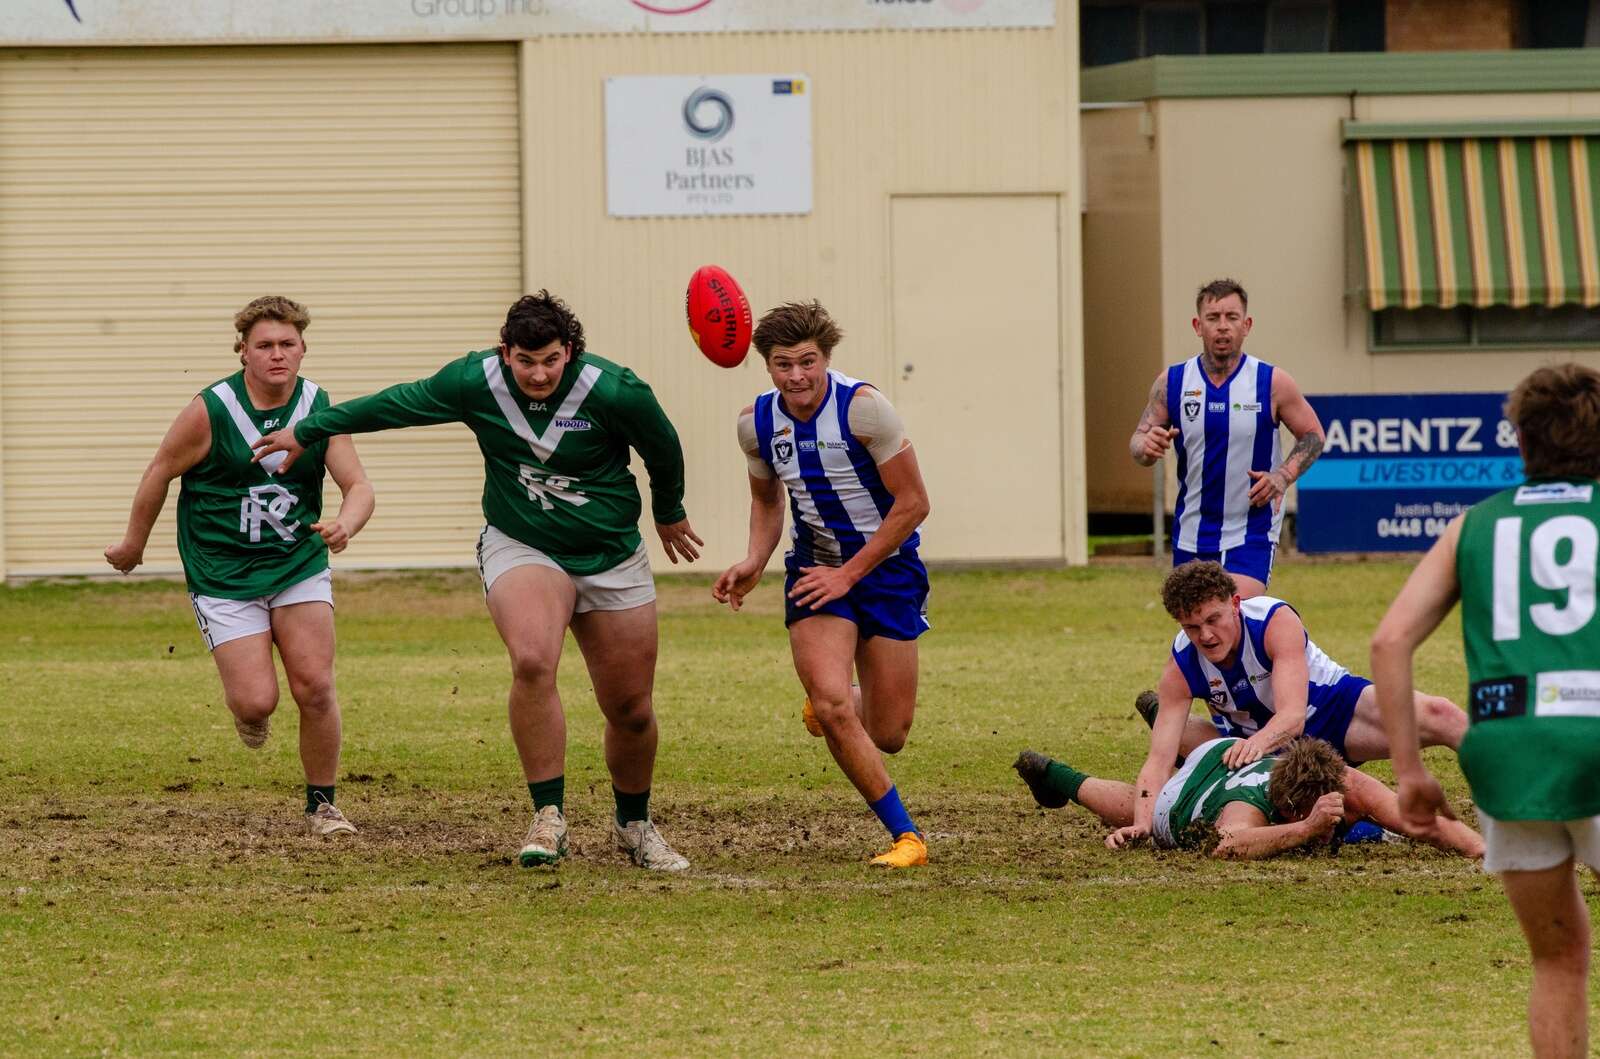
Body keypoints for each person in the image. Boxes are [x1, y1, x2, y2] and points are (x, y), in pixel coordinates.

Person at [251, 291, 702, 871]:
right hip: (523, 542)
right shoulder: (475, 381)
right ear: (505, 352)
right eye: (525, 361)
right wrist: (310, 429)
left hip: (609, 551)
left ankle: (634, 824)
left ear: (570, 352)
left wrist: (669, 510)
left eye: (551, 360)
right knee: (533, 659)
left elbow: (663, 448)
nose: (538, 375)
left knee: (631, 707)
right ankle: (548, 815)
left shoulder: (615, 390)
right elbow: (397, 403)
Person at [1372, 363, 1600, 1059]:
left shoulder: (1474, 524)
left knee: (1557, 958)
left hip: (1506, 749)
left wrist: (1410, 771)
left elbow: (1389, 641)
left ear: (1521, 441)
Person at [105, 296, 374, 836]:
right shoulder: (212, 409)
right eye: (265, 345)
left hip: (296, 563)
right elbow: (159, 471)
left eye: (287, 344)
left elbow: (358, 485)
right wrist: (134, 544)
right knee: (256, 702)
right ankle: (248, 712)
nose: (277, 354)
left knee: (315, 686)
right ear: (244, 352)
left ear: (303, 349)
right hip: (222, 573)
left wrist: (346, 523)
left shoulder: (319, 406)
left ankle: (323, 806)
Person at [712, 301, 932, 868]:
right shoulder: (756, 424)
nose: (796, 376)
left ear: (826, 359)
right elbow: (767, 500)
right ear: (767, 365)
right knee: (832, 706)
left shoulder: (864, 409)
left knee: (889, 732)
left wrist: (849, 574)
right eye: (783, 364)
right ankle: (906, 837)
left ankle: (844, 703)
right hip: (814, 571)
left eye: (807, 362)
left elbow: (913, 504)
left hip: (886, 572)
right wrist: (755, 560)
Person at [1125, 561, 1466, 847]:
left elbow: (1292, 717)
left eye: (1213, 619)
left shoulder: (1273, 620)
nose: (1206, 636)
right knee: (1311, 813)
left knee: (1442, 714)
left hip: (1332, 711)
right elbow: (1158, 761)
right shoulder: (1181, 665)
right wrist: (1142, 823)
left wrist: (1254, 746)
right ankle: (1363, 831)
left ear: (1235, 603)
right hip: (1268, 753)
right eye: (1192, 627)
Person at [1129, 279, 1325, 597]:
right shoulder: (1173, 382)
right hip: (1192, 529)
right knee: (1197, 620)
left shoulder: (1271, 382)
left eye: (1232, 317)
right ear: (1198, 326)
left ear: (1246, 325)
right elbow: (1139, 440)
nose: (1223, 326)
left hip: (1251, 528)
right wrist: (1146, 447)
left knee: (1235, 610)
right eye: (1213, 317)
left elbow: (1313, 435)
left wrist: (1282, 477)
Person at [1013, 737, 1483, 860]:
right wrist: (1306, 830)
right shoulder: (1249, 807)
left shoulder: (1346, 782)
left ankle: (1174, 728)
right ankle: (1055, 774)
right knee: (1143, 815)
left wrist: (1481, 848)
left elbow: (1418, 819)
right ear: (1288, 807)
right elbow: (1227, 845)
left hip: (1229, 751)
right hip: (1192, 794)